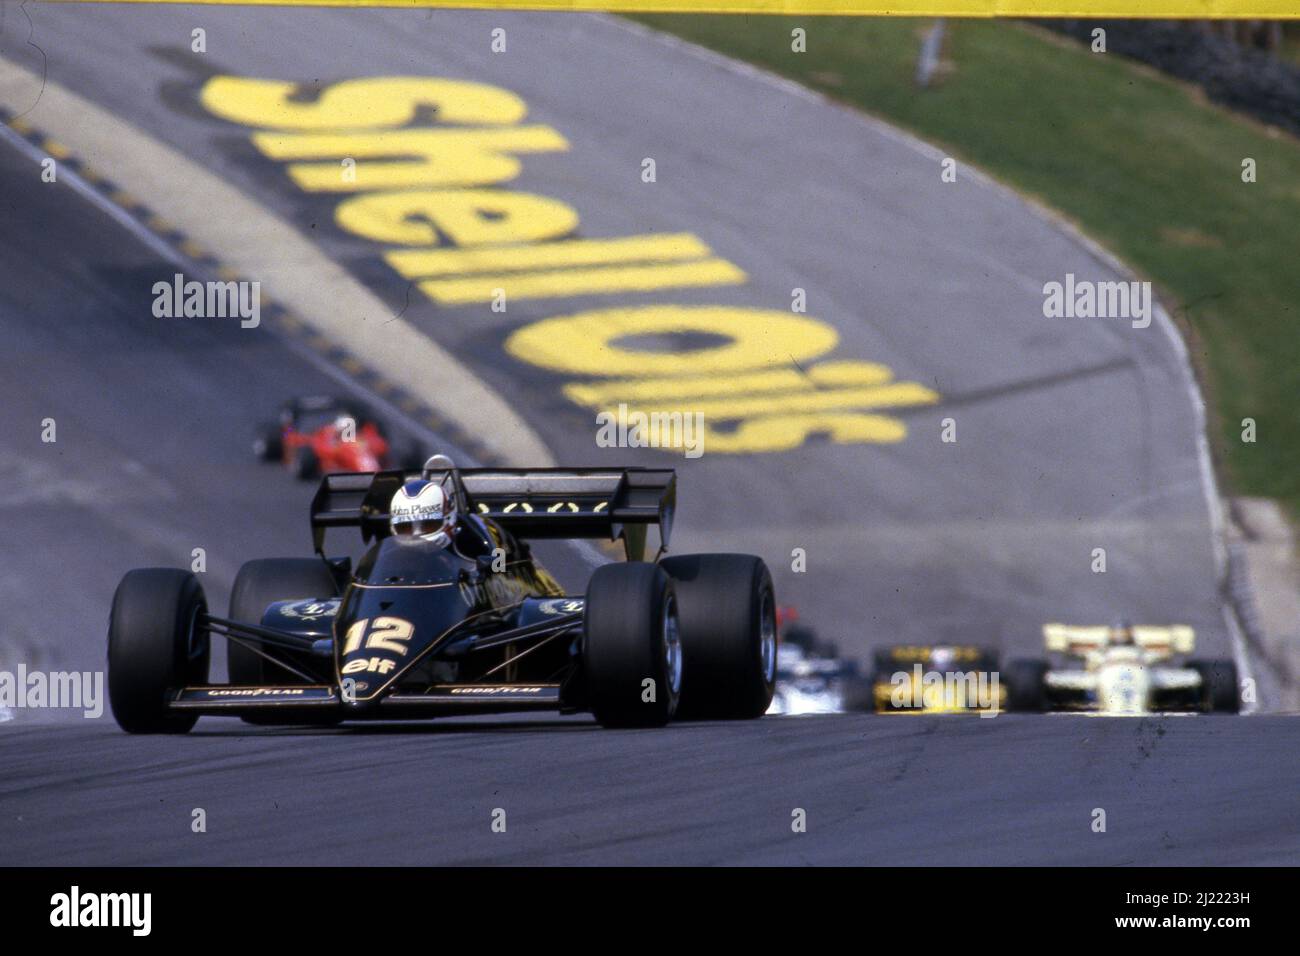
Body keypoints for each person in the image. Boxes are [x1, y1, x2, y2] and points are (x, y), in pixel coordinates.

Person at [389, 477, 457, 549]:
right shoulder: (387, 557)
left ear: (449, 519)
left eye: (428, 525)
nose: (416, 535)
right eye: (406, 527)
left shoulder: (467, 551)